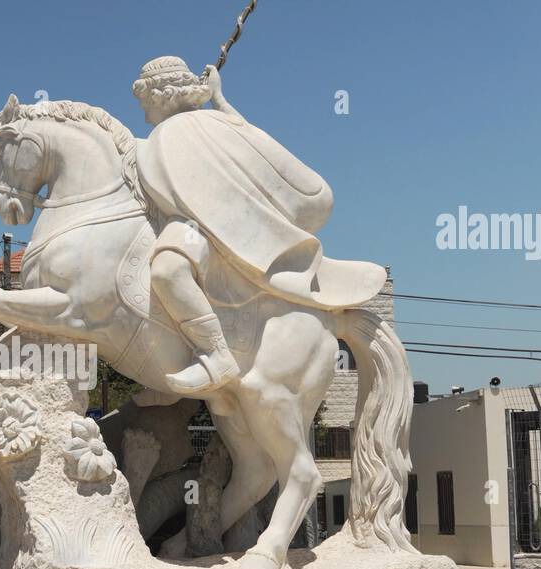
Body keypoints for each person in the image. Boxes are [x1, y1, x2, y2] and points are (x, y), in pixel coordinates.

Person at [132, 56, 386, 393]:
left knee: (168, 271)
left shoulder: (205, 124)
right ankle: (165, 365)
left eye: (146, 102)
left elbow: (251, 144)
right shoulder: (161, 137)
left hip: (203, 229)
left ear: (161, 95)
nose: (144, 113)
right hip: (190, 223)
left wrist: (220, 101)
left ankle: (215, 354)